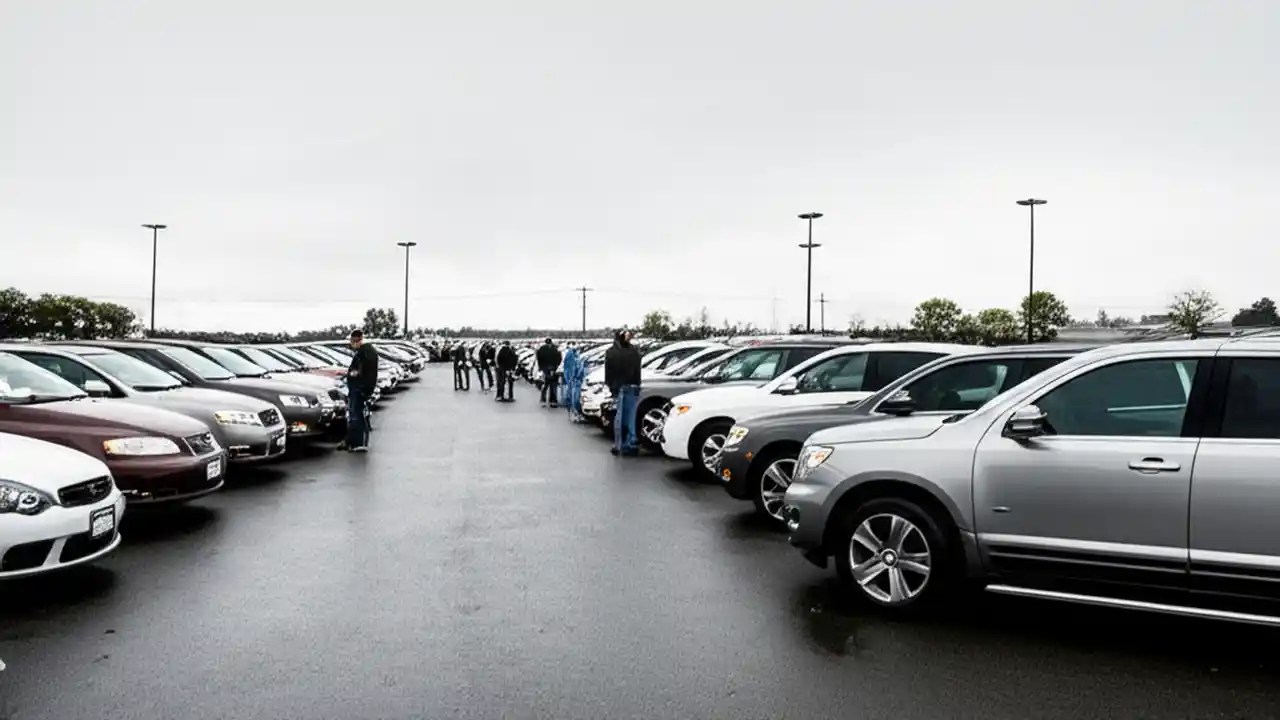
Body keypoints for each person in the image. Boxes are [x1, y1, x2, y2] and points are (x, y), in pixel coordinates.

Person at [604, 329, 642, 456]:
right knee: (631, 417)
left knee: (619, 418)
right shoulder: (634, 351)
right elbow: (638, 370)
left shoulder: (611, 352)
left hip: (619, 388)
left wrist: (610, 386)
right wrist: (638, 384)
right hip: (632, 386)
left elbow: (608, 372)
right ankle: (631, 443)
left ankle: (618, 445)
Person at [340, 329, 378, 452]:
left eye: (352, 341)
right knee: (360, 415)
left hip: (359, 388)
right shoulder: (370, 351)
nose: (351, 344)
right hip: (364, 388)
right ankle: (353, 441)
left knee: (357, 416)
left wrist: (350, 374)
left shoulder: (363, 353)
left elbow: (358, 372)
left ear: (356, 340)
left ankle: (358, 443)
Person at [536, 338, 563, 408]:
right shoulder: (555, 349)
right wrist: (556, 366)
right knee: (553, 386)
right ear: (551, 342)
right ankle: (553, 401)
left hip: (545, 369)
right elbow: (559, 358)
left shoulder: (541, 349)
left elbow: (538, 358)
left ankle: (543, 400)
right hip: (553, 369)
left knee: (545, 385)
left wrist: (540, 367)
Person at [561, 342, 582, 421]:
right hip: (573, 379)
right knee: (573, 396)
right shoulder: (572, 355)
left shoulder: (570, 354)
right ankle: (574, 412)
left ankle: (573, 412)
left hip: (572, 379)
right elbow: (570, 368)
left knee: (572, 395)